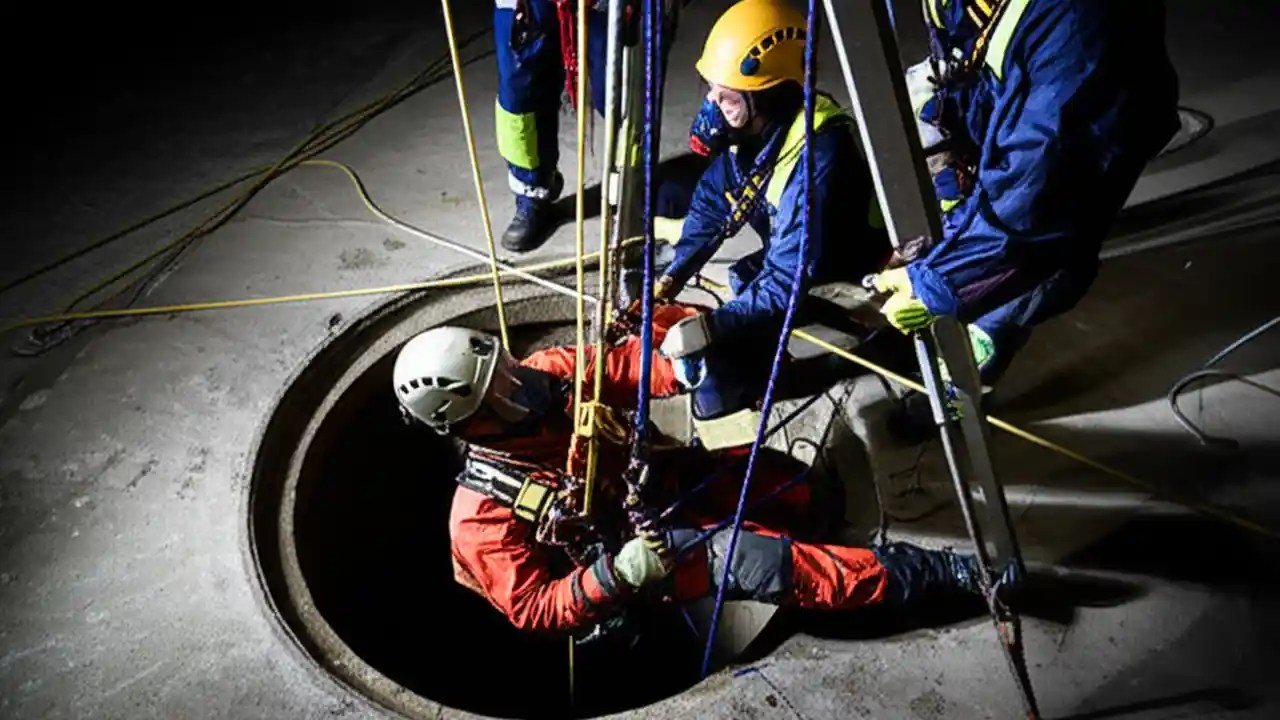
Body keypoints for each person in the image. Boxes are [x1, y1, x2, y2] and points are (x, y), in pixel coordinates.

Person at [390, 307, 1015, 636]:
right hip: (646, 552)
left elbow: (620, 369)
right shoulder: (481, 519)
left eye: (506, 367)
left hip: (663, 482)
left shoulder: (545, 374)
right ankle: (944, 576)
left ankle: (812, 522)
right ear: (469, 424)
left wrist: (673, 368)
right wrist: (618, 573)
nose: (518, 383)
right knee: (775, 564)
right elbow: (534, 608)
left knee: (786, 483)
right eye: (500, 391)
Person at [867, 0, 1180, 413]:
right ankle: (966, 264)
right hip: (1025, 94)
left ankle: (984, 347)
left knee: (1052, 243)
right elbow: (978, 48)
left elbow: (1040, 188)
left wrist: (942, 281)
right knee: (930, 123)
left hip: (1089, 119)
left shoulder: (1081, 21)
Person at [639, 0, 894, 424]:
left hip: (848, 268)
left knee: (723, 374)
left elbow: (785, 279)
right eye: (712, 91)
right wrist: (673, 276)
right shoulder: (758, 132)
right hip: (798, 254)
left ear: (767, 93)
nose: (712, 106)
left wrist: (712, 328)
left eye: (726, 97)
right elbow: (713, 200)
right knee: (740, 275)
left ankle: (853, 352)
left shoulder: (819, 156)